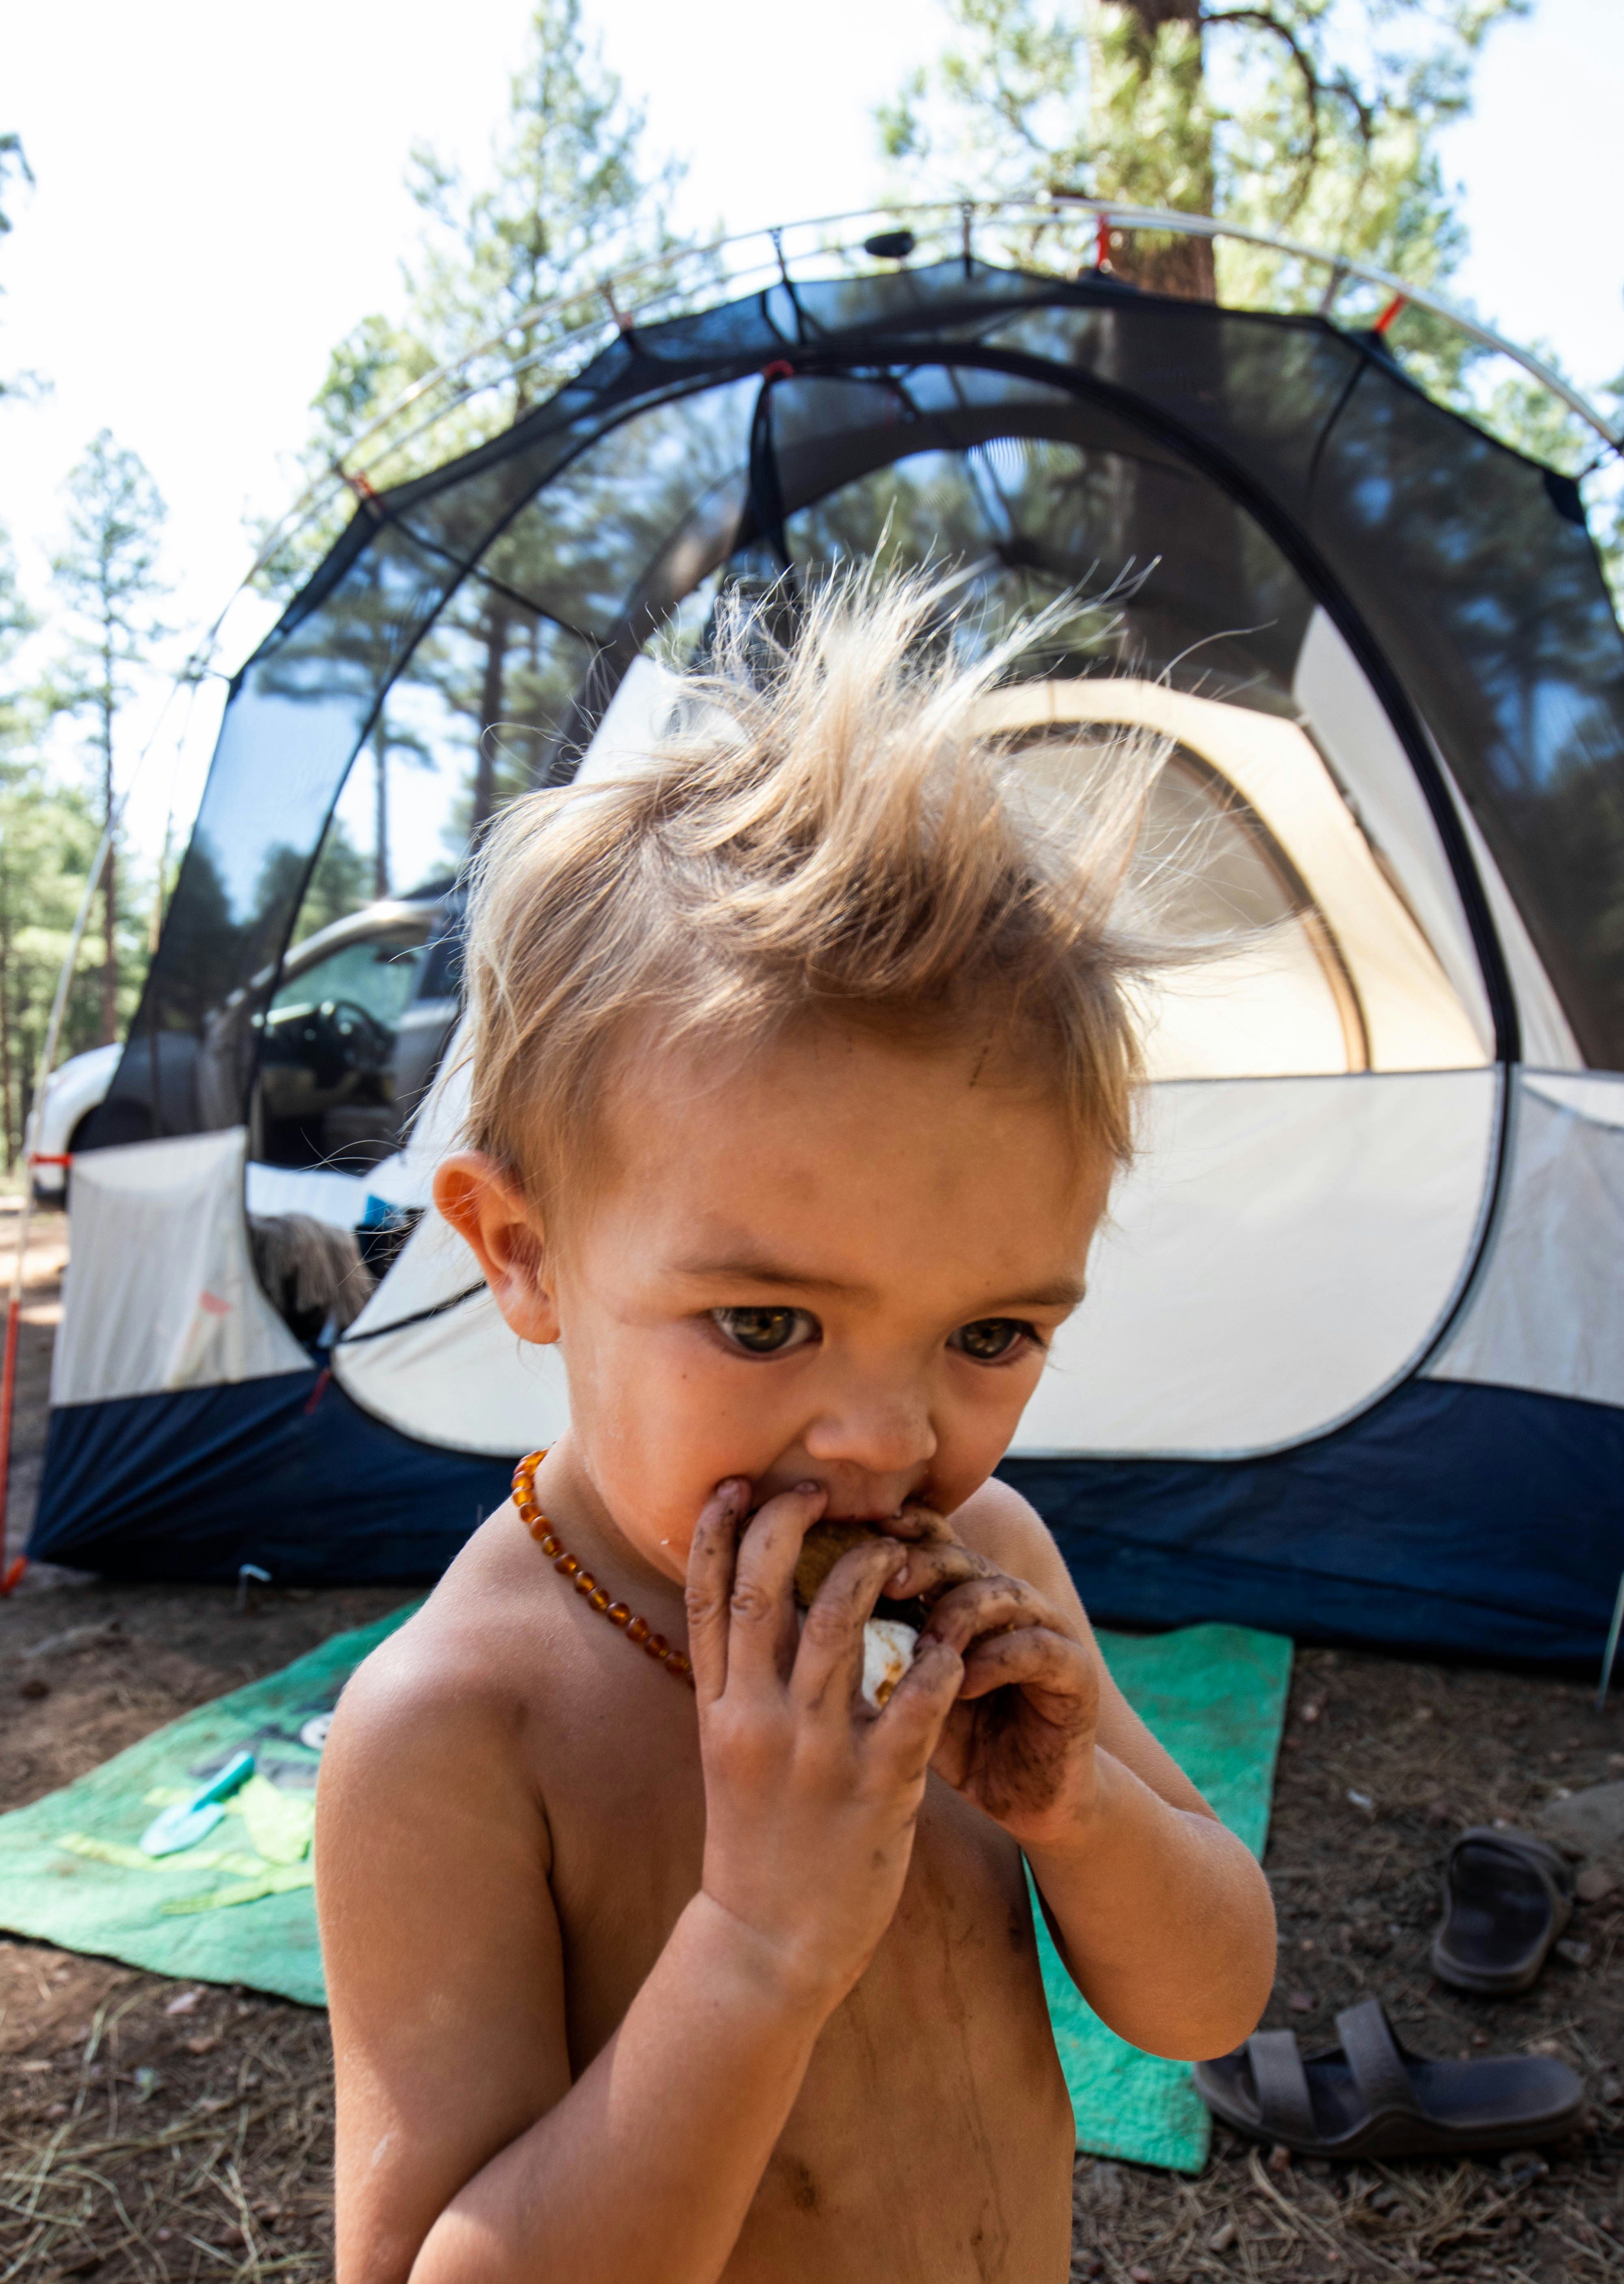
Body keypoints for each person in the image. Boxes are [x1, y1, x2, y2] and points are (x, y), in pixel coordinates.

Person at [315, 567, 1276, 2284]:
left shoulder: (988, 1559)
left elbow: (1210, 1998)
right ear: (523, 1254)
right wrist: (754, 1947)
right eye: (763, 1322)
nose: (881, 1442)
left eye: (989, 1333)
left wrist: (1082, 1817)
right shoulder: (456, 1736)